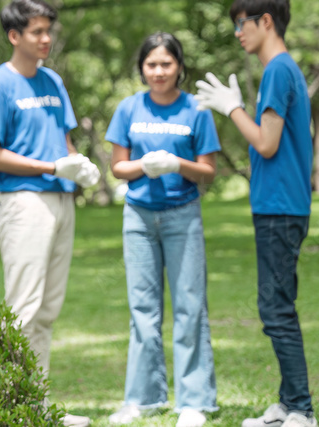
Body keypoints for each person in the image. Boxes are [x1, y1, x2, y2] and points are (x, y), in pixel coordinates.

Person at [0, 0, 100, 427]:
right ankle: (11, 407)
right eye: (37, 32)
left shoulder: (53, 82)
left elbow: (64, 142)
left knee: (47, 310)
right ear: (15, 35)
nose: (46, 38)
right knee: (23, 308)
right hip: (23, 201)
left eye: (49, 30)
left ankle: (36, 404)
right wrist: (52, 166)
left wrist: (79, 166)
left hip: (62, 200)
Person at [195, 0, 317, 427]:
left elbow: (266, 143)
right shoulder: (282, 70)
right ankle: (287, 403)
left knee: (276, 307)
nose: (237, 33)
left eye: (241, 23)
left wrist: (231, 109)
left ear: (265, 21)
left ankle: (301, 409)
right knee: (276, 304)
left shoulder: (278, 71)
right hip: (281, 205)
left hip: (281, 206)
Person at [104, 32, 220, 427]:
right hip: (138, 216)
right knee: (142, 310)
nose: (158, 71)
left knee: (190, 307)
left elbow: (208, 170)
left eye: (166, 64)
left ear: (179, 67)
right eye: (151, 64)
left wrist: (176, 164)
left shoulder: (196, 110)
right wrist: (143, 166)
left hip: (182, 215)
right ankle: (142, 398)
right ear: (141, 69)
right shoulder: (128, 108)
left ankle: (195, 400)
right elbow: (117, 166)